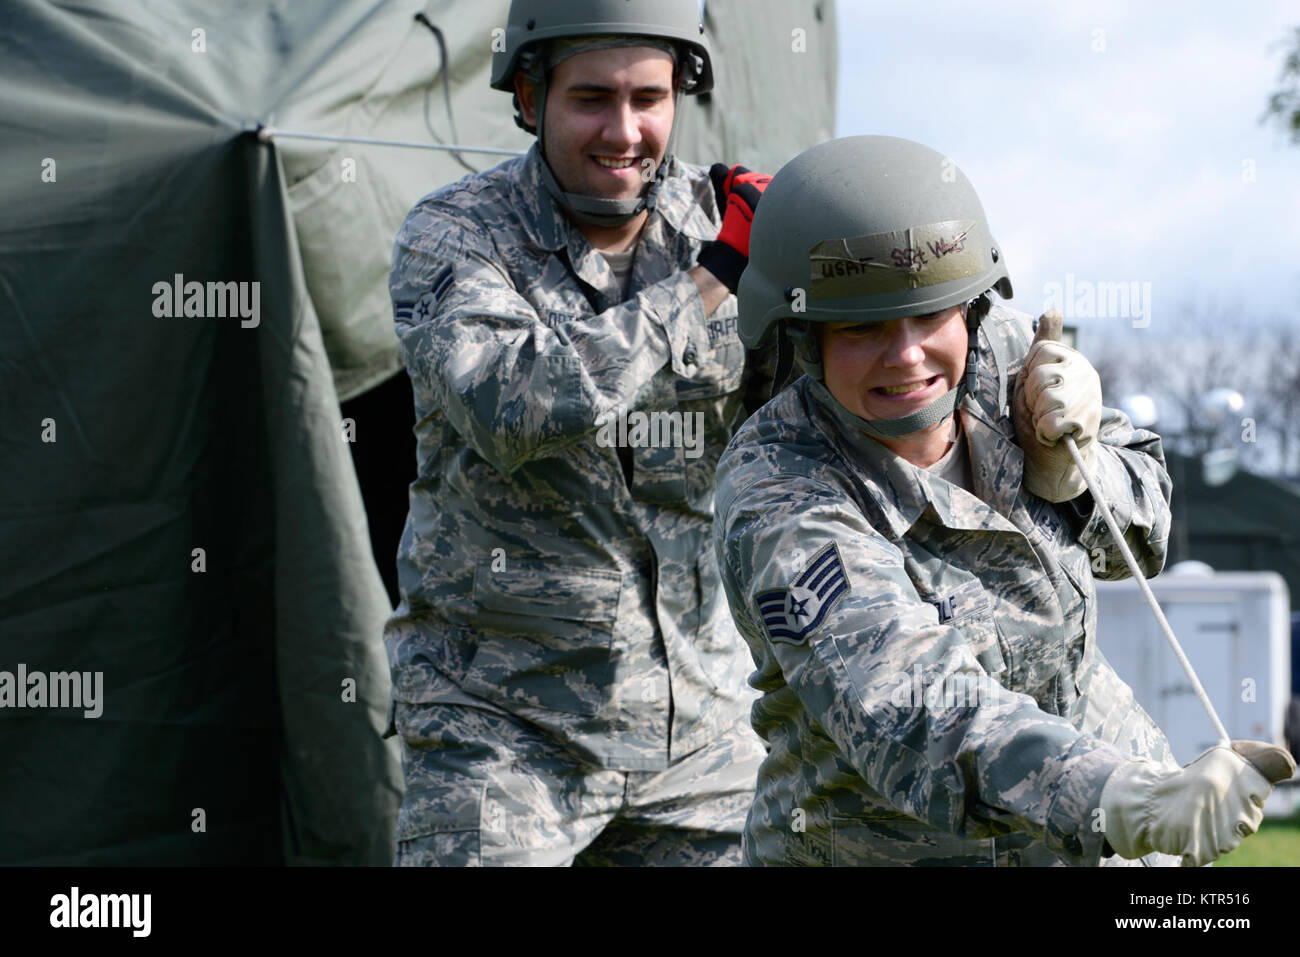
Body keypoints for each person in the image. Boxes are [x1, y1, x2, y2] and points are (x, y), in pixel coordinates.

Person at [714, 135, 1287, 866]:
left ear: (970, 310)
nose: (908, 354)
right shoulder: (778, 485)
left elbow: (1144, 541)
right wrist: (1119, 798)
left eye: (931, 315)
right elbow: (906, 701)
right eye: (862, 327)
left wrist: (1079, 473)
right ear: (802, 337)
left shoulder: (1007, 361)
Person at [383, 0, 773, 865]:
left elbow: (870, 363)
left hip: (700, 733)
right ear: (531, 96)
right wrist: (711, 283)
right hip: (501, 731)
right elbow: (511, 405)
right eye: (592, 98)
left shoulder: (728, 220)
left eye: (650, 98)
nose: (625, 130)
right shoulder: (455, 235)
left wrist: (1034, 389)